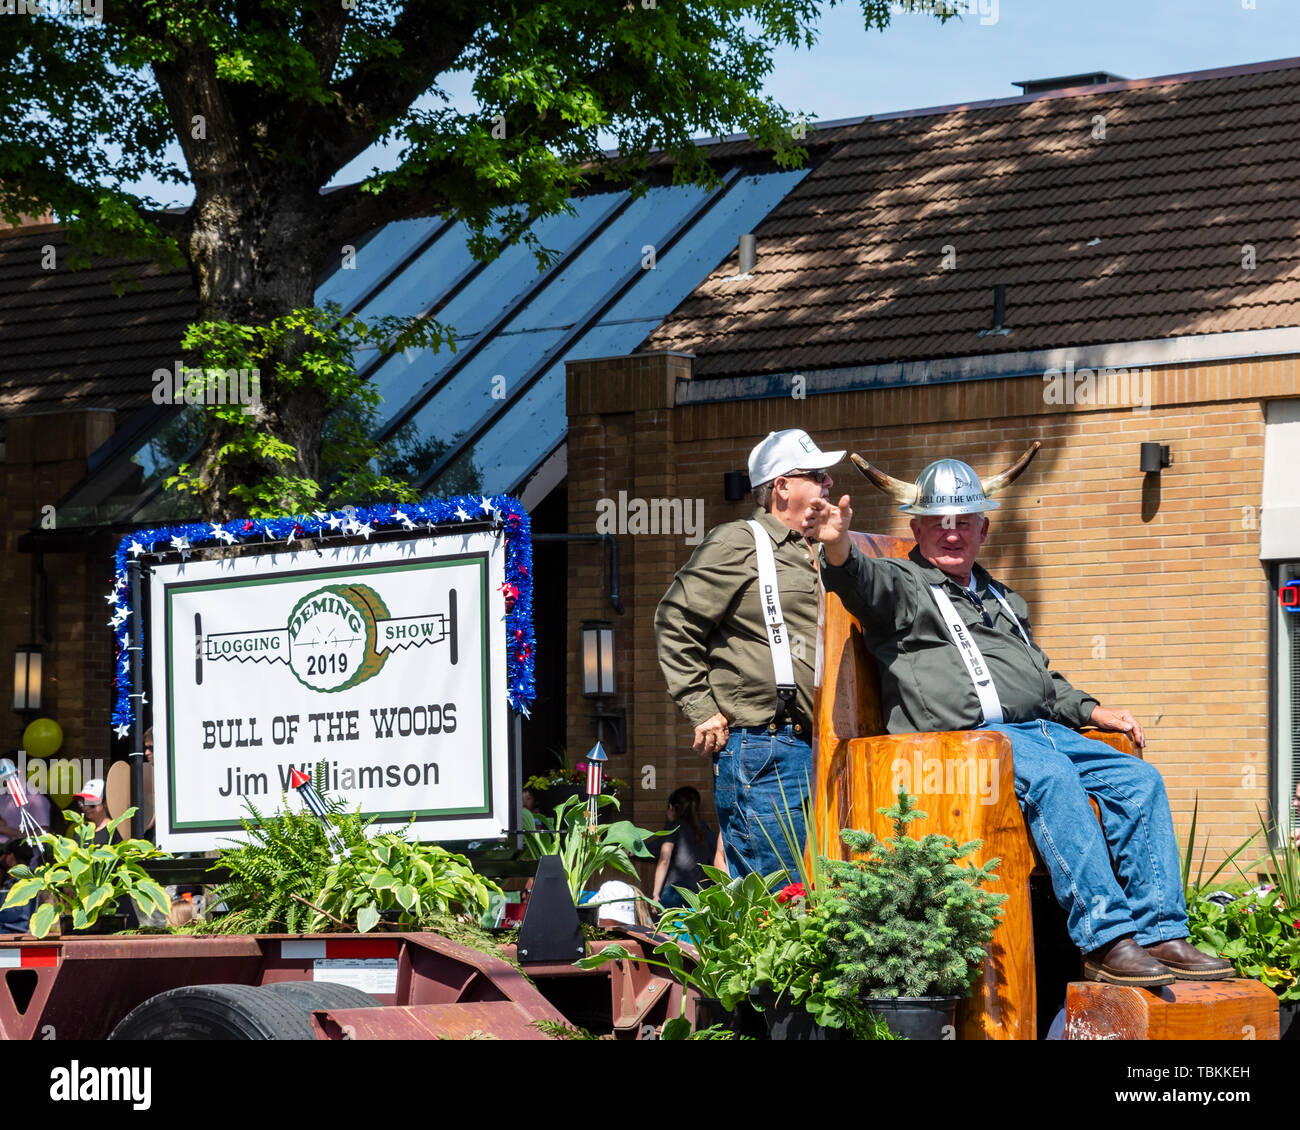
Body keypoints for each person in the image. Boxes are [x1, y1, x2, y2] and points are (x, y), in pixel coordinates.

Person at [805, 450, 1233, 987]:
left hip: (1038, 732)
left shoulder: (1002, 597)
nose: (952, 533)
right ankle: (1105, 940)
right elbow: (860, 580)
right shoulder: (904, 587)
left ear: (983, 529)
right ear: (917, 527)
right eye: (938, 523)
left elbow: (1042, 682)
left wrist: (1093, 710)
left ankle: (1160, 932)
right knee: (1053, 779)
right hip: (960, 744)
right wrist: (838, 544)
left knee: (1138, 779)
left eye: (964, 522)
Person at [655, 428, 845, 878]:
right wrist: (702, 709)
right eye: (816, 475)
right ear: (781, 487)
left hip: (813, 746)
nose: (827, 483)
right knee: (780, 895)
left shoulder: (816, 551)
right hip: (765, 746)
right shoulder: (738, 541)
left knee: (809, 895)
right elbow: (674, 620)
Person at [652, 786, 715, 908]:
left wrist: (655, 895)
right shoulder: (705, 829)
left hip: (676, 892)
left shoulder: (674, 827)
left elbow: (664, 859)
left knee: (669, 926)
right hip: (701, 894)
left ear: (671, 807)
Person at [73, 778, 112, 845]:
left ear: (105, 803)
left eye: (90, 802)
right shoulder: (80, 831)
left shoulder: (115, 831)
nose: (85, 807)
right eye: (82, 802)